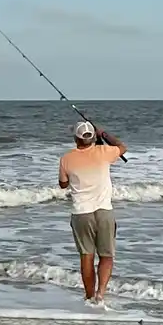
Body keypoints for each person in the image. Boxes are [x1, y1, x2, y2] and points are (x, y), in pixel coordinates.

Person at [58, 121, 127, 304]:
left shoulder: (66, 159)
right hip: (104, 211)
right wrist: (104, 134)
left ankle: (89, 296)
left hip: (81, 213)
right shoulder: (104, 152)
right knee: (107, 256)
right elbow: (122, 147)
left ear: (76, 138)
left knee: (86, 256)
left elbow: (63, 184)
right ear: (93, 137)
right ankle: (100, 294)